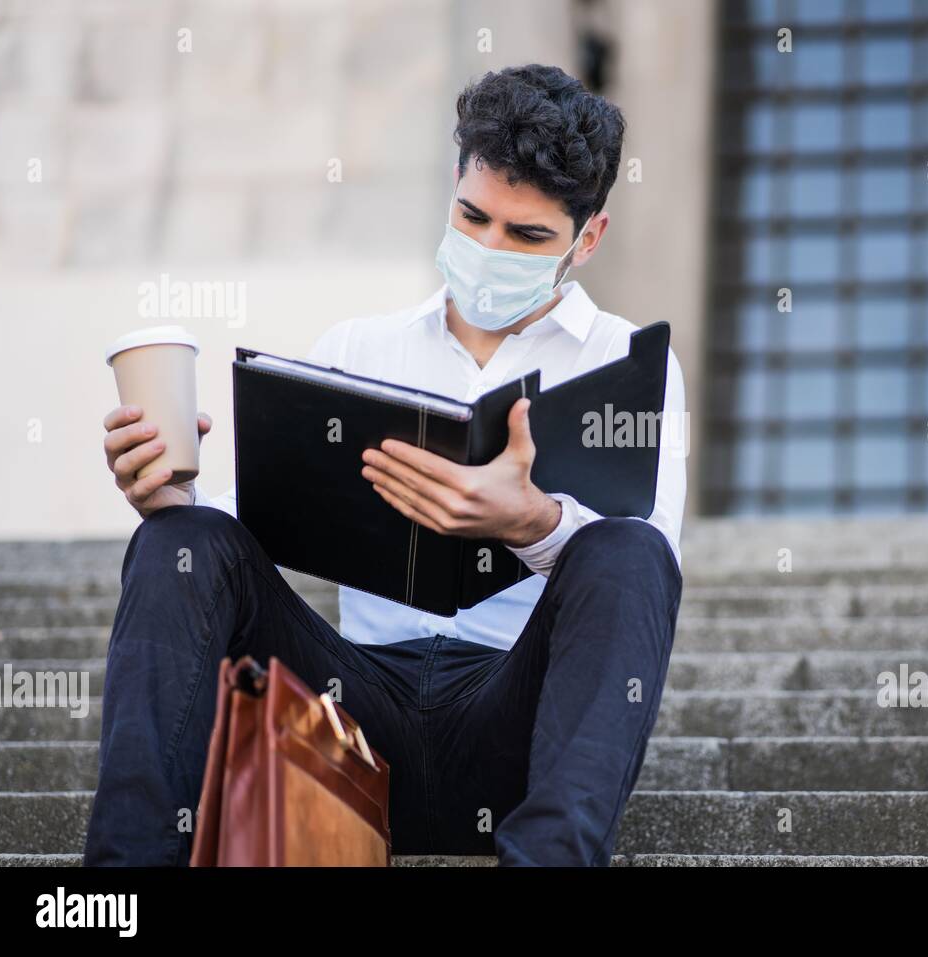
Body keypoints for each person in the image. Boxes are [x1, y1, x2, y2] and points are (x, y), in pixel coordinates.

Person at [84, 64, 686, 867]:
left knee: (631, 547)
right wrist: (170, 503)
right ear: (452, 187)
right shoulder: (359, 349)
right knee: (178, 542)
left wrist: (532, 522)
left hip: (514, 724)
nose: (489, 248)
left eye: (526, 236)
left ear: (588, 238)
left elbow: (650, 570)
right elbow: (241, 530)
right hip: (350, 726)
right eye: (472, 216)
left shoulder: (626, 362)